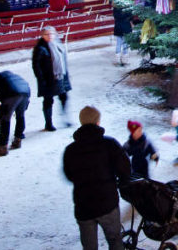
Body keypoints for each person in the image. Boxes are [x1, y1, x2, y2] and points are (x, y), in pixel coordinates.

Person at [63, 105, 130, 250]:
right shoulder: (110, 144)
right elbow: (125, 169)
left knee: (89, 246)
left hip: (83, 206)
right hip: (107, 203)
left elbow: (69, 175)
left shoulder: (70, 150)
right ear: (98, 122)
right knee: (115, 240)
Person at [33, 26, 72, 131]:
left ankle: (65, 118)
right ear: (42, 35)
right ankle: (48, 123)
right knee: (48, 100)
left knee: (64, 97)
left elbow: (63, 61)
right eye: (47, 34)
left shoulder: (58, 44)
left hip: (61, 77)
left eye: (52, 34)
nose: (50, 36)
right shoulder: (40, 48)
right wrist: (41, 79)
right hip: (48, 79)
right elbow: (36, 66)